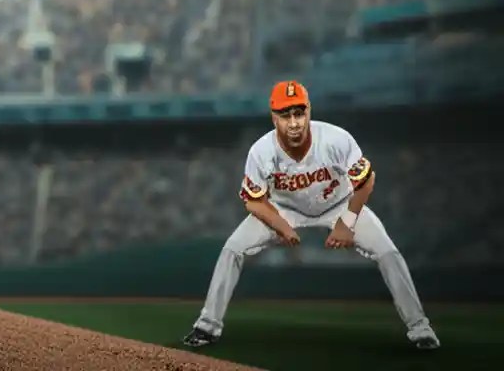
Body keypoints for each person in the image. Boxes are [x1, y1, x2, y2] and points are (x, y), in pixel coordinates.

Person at [182, 81, 439, 351]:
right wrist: (280, 224)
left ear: (309, 112)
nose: (294, 122)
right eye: (285, 115)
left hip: (339, 203)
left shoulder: (335, 139)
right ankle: (207, 326)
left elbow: (366, 180)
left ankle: (420, 328)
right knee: (233, 248)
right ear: (273, 117)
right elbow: (253, 201)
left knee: (388, 252)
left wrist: (347, 223)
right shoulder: (261, 151)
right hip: (284, 208)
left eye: (299, 113)